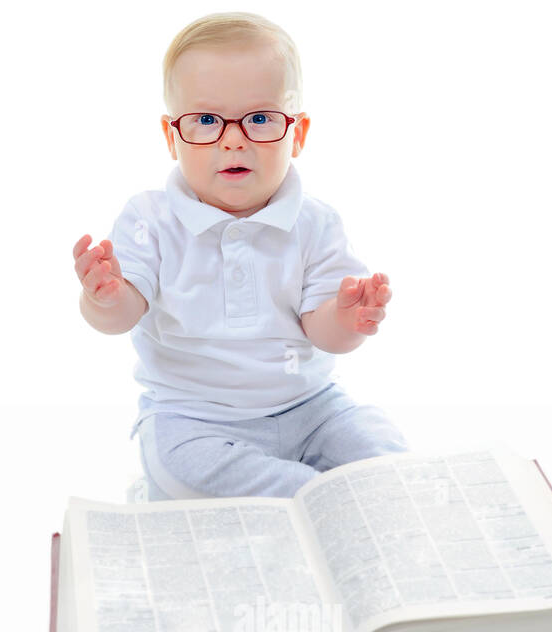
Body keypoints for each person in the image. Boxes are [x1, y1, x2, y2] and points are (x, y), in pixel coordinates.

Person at [73, 12, 407, 499]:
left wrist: (348, 317)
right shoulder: (150, 219)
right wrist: (104, 297)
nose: (234, 138)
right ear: (171, 137)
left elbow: (324, 332)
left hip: (310, 408)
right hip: (193, 416)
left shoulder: (315, 223)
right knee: (177, 465)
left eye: (260, 119)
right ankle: (317, 499)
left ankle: (333, 496)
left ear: (298, 133)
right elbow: (122, 313)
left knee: (378, 445)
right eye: (206, 120)